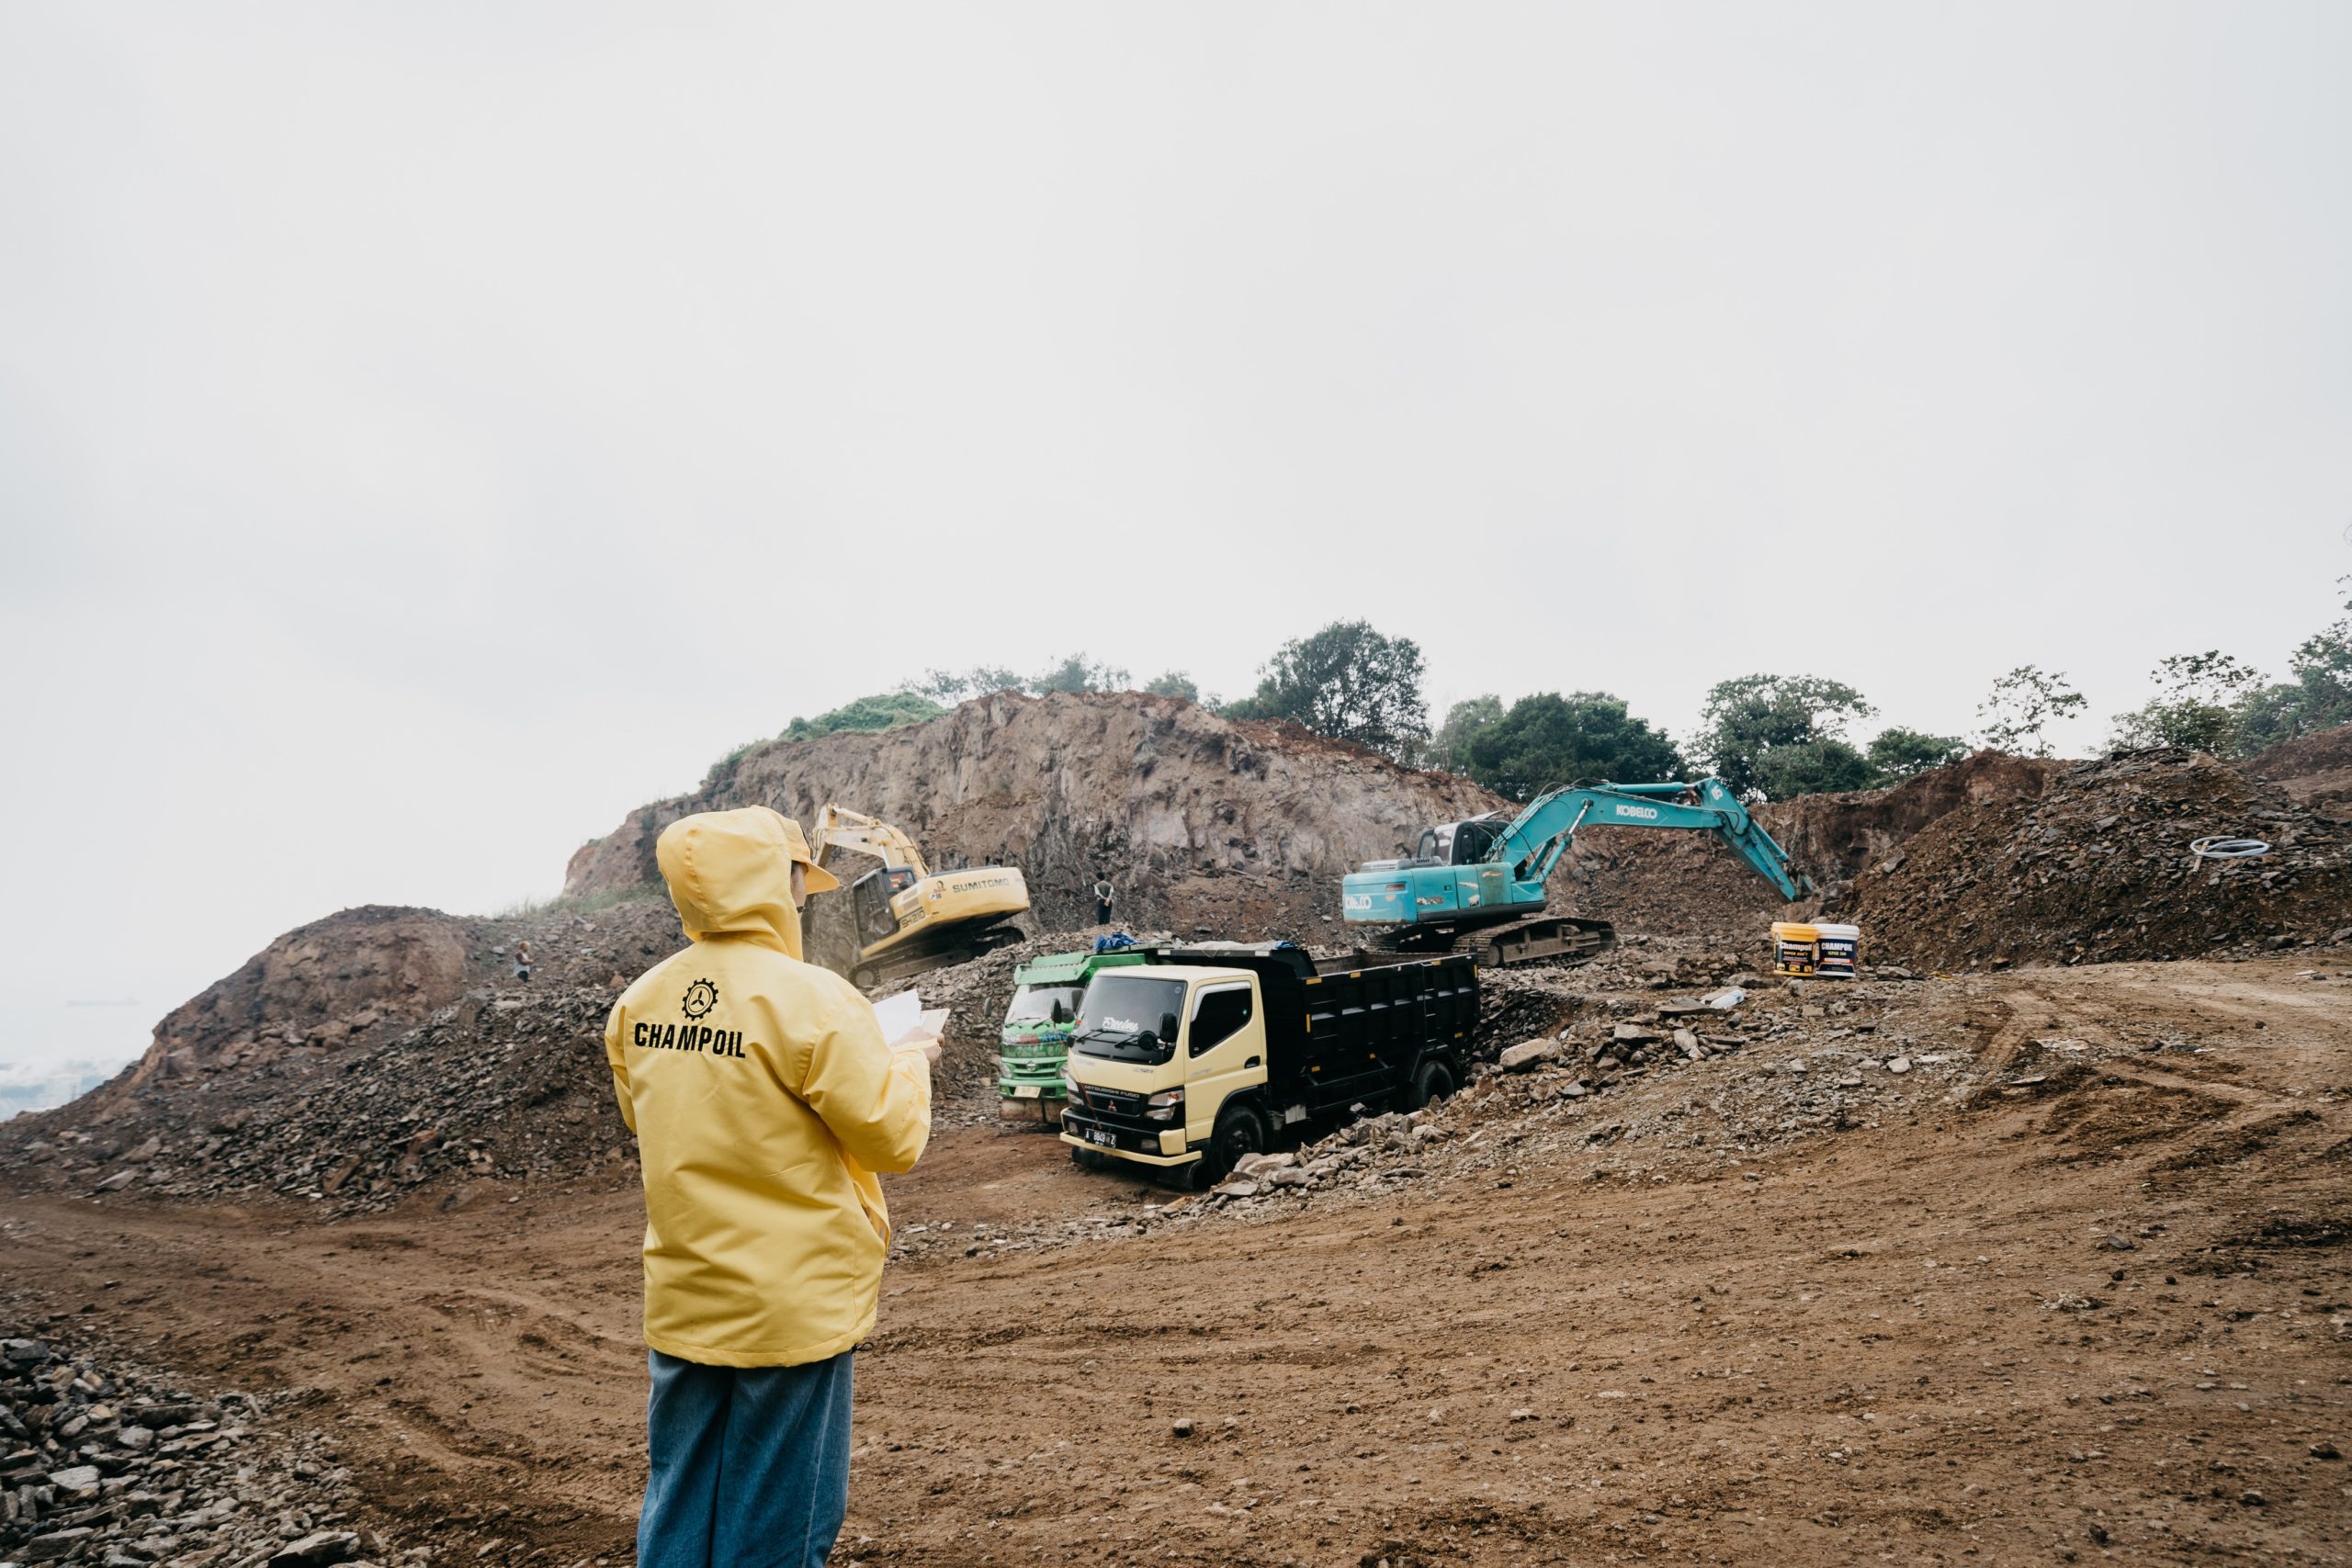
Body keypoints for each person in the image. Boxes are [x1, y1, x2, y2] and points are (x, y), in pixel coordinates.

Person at [604, 806, 937, 1568]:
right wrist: (911, 1059)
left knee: (682, 1499)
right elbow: (894, 1139)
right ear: (774, 882)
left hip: (687, 1301)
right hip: (792, 1310)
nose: (804, 896)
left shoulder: (638, 1004)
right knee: (780, 1527)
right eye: (798, 879)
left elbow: (649, 1116)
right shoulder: (817, 1001)